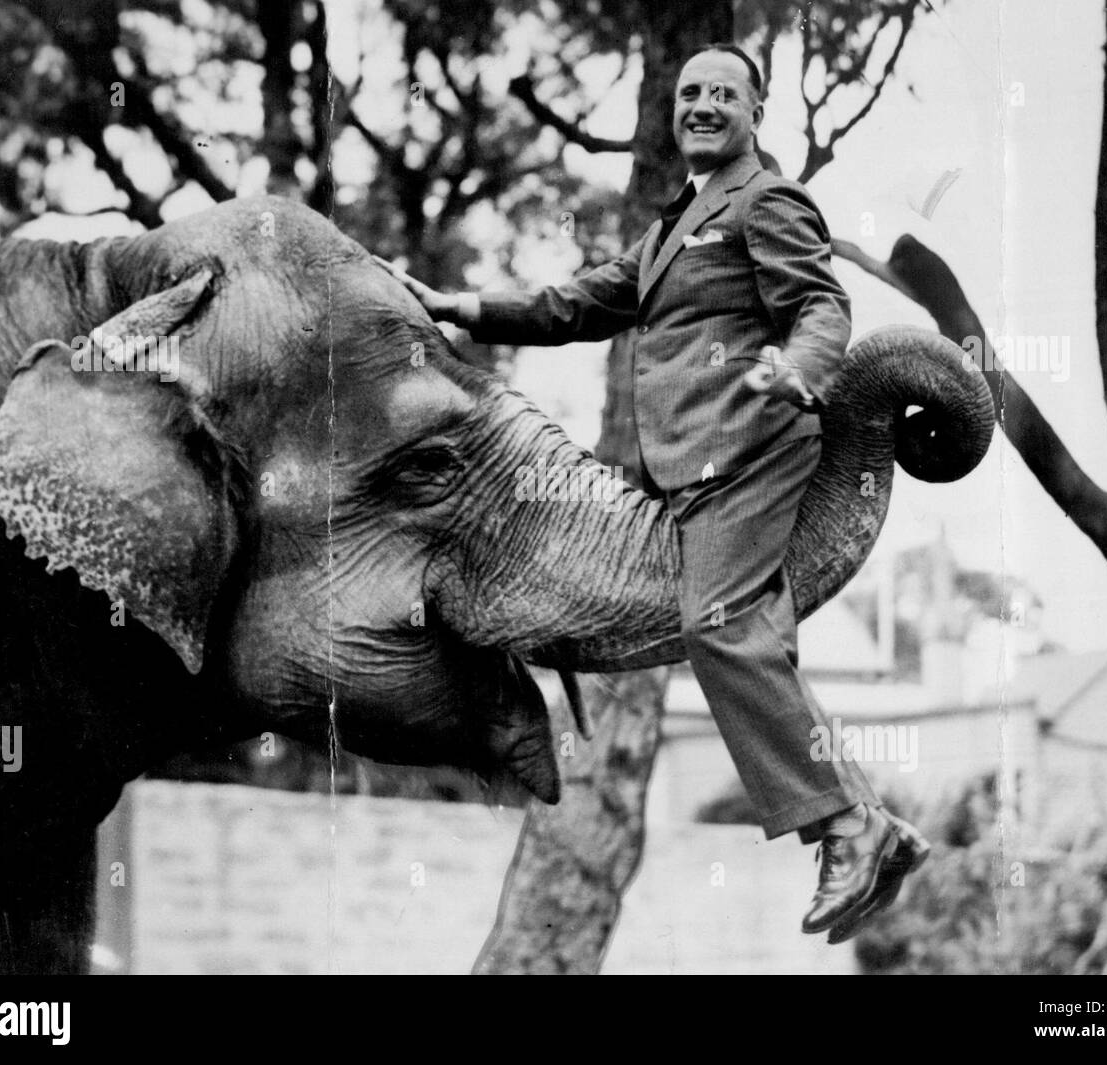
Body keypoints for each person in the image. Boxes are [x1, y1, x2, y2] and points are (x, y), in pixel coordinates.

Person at [374, 42, 928, 943]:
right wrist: (457, 306)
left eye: (724, 94)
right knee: (748, 639)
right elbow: (573, 304)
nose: (703, 106)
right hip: (690, 470)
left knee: (714, 625)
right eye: (689, 94)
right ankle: (875, 824)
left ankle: (848, 829)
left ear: (757, 111)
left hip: (755, 450)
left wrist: (798, 368)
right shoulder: (673, 227)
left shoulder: (768, 201)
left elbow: (823, 306)